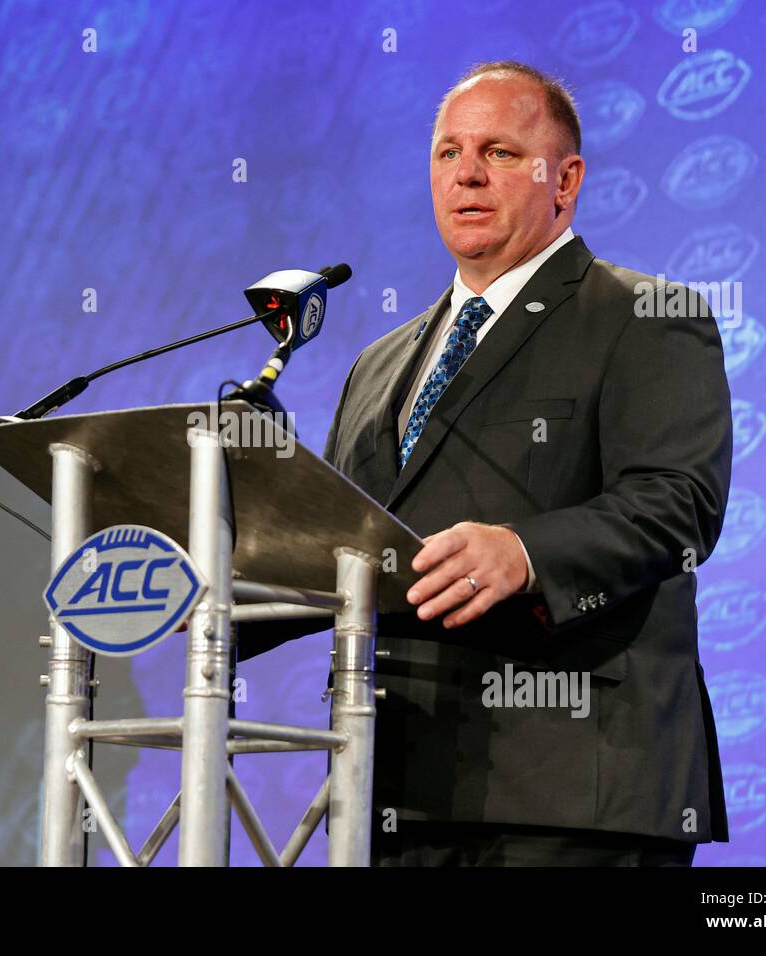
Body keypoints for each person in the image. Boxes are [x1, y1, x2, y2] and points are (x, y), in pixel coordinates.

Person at [238, 60, 732, 866]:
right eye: (447, 153)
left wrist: (527, 551)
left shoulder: (642, 316)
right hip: (393, 786)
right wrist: (225, 594)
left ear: (565, 180)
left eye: (499, 152)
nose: (466, 172)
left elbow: (677, 505)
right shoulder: (378, 363)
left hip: (573, 791)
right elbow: (348, 552)